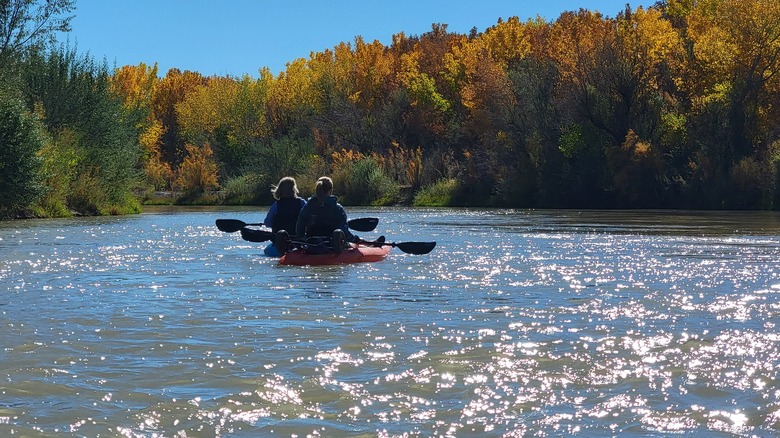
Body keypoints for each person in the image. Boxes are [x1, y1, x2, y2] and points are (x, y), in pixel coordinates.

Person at [295, 176, 359, 253]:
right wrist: (355, 239)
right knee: (353, 245)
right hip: (332, 245)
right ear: (331, 190)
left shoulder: (308, 207)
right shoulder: (337, 208)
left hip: (311, 243)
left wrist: (301, 238)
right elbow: (344, 231)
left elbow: (300, 227)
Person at [263, 177, 306, 256]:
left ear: (279, 190)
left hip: (281, 242)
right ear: (294, 189)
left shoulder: (276, 205)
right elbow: (309, 218)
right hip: (298, 240)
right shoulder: (302, 203)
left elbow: (267, 223)